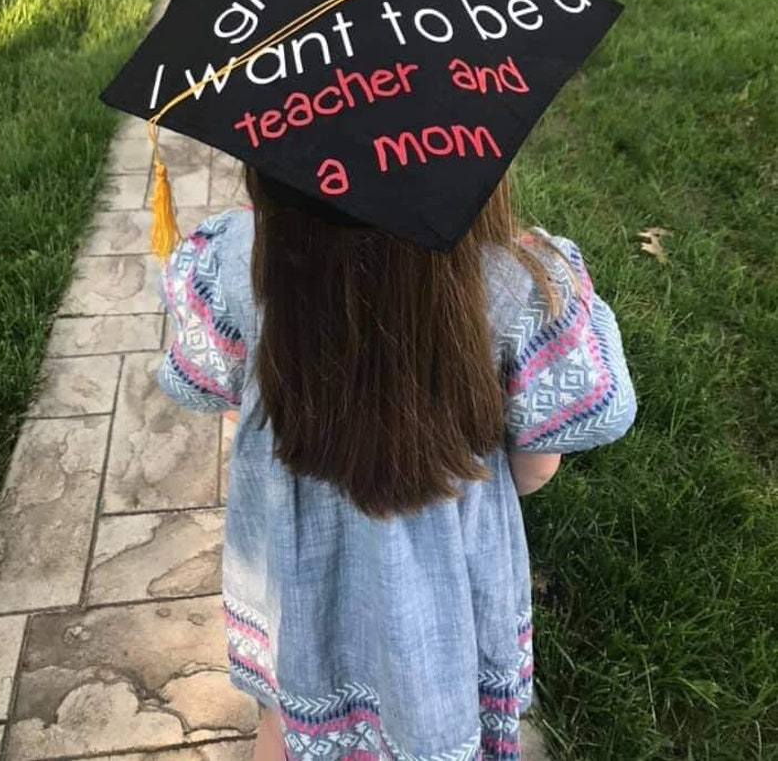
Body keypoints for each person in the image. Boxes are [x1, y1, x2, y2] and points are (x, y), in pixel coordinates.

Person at [157, 168, 637, 761]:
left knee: (282, 723)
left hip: (291, 579)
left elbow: (220, 394)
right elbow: (537, 467)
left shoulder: (236, 255)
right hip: (447, 594)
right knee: (435, 728)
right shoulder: (522, 281)